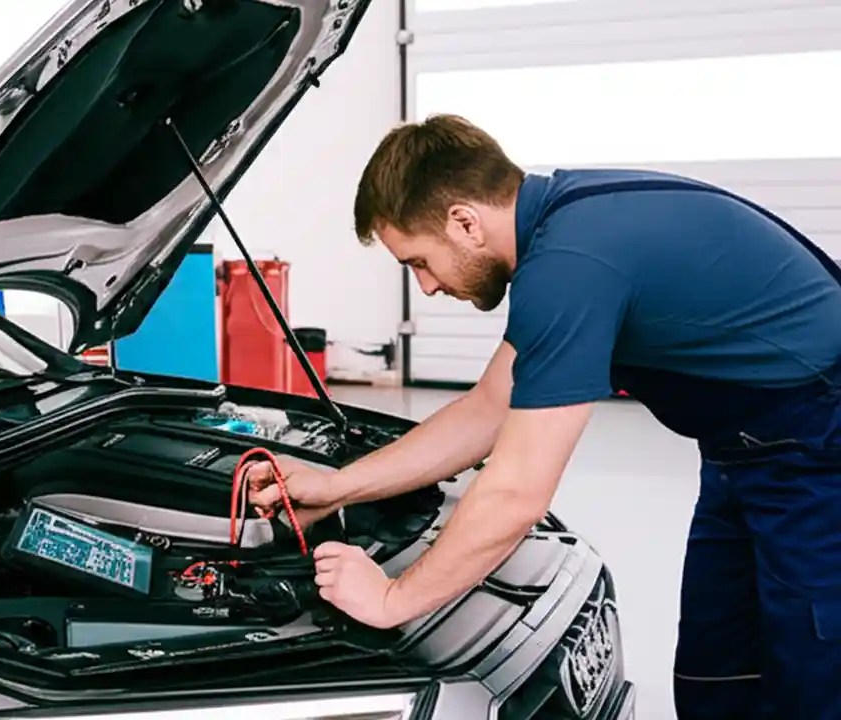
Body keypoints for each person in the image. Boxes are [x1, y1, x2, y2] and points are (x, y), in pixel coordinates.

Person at [244, 114, 841, 720]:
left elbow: (517, 490)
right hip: (748, 450)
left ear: (464, 222)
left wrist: (393, 598)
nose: (424, 288)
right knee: (718, 670)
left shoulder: (571, 268)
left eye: (419, 262)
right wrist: (336, 485)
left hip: (821, 445)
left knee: (814, 677)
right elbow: (485, 411)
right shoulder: (562, 231)